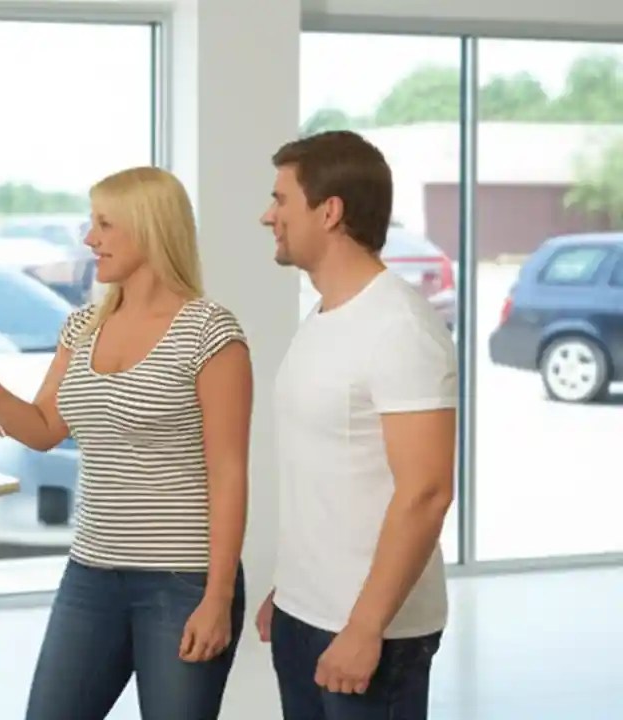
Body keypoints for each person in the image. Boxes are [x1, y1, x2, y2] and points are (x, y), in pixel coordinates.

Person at [0, 166, 252, 719]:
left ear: (148, 229)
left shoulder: (210, 332)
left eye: (104, 224)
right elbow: (43, 427)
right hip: (91, 575)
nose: (89, 239)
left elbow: (229, 471)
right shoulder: (82, 327)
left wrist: (217, 597)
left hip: (181, 582)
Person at [256, 130, 457, 720]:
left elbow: (426, 492)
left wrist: (365, 628)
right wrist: (292, 592)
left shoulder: (400, 327)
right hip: (305, 615)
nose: (268, 216)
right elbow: (330, 469)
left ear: (330, 210)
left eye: (282, 200)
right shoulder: (323, 316)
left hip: (374, 634)